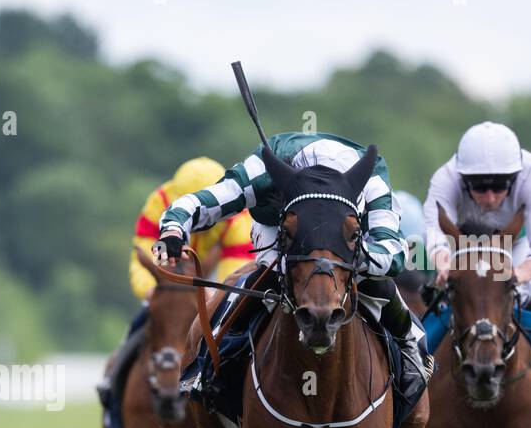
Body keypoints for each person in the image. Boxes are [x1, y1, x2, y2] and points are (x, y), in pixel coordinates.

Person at [156, 131, 432, 403]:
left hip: (344, 236)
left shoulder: (372, 180)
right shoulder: (261, 170)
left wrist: (347, 257)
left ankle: (411, 347)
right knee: (271, 270)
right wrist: (173, 230)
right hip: (283, 227)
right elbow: (198, 202)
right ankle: (213, 359)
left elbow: (394, 254)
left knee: (375, 275)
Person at [423, 121, 531, 428]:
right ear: (463, 179)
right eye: (479, 188)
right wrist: (443, 262)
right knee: (417, 343)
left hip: (514, 251)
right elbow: (434, 230)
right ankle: (403, 406)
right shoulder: (446, 178)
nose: (489, 197)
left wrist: (521, 273)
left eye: (499, 188)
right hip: (463, 249)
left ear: (515, 178)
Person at [98, 157, 252, 422]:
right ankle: (114, 384)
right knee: (145, 318)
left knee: (236, 325)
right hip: (169, 274)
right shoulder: (159, 202)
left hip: (214, 274)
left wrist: (214, 299)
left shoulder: (237, 211)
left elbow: (238, 265)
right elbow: (144, 252)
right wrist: (151, 288)